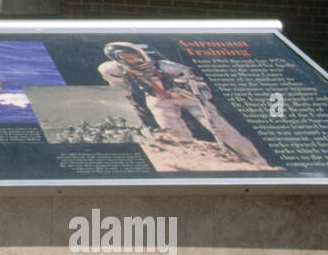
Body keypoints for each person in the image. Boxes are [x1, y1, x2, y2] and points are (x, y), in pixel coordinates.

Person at [98, 42, 269, 167]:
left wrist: (200, 93)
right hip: (159, 100)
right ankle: (195, 164)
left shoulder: (167, 67)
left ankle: (256, 160)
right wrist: (125, 101)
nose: (132, 61)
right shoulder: (117, 69)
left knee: (220, 128)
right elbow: (119, 87)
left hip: (187, 96)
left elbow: (196, 82)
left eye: (133, 57)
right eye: (126, 58)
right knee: (175, 133)